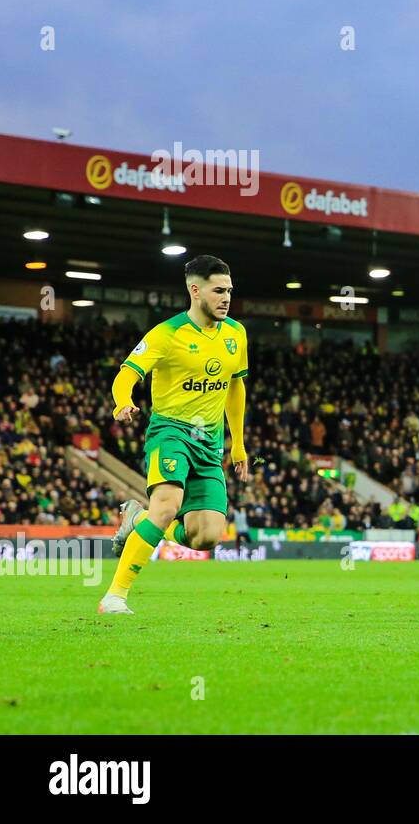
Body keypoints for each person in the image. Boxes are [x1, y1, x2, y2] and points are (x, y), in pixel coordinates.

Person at [100, 254, 250, 613]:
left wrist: (239, 445)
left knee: (207, 536)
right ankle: (114, 596)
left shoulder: (236, 334)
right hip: (170, 433)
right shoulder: (167, 333)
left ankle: (136, 518)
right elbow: (127, 373)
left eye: (229, 290)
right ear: (195, 291)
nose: (226, 298)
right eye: (218, 291)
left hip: (209, 444)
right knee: (167, 508)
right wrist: (123, 401)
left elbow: (235, 388)